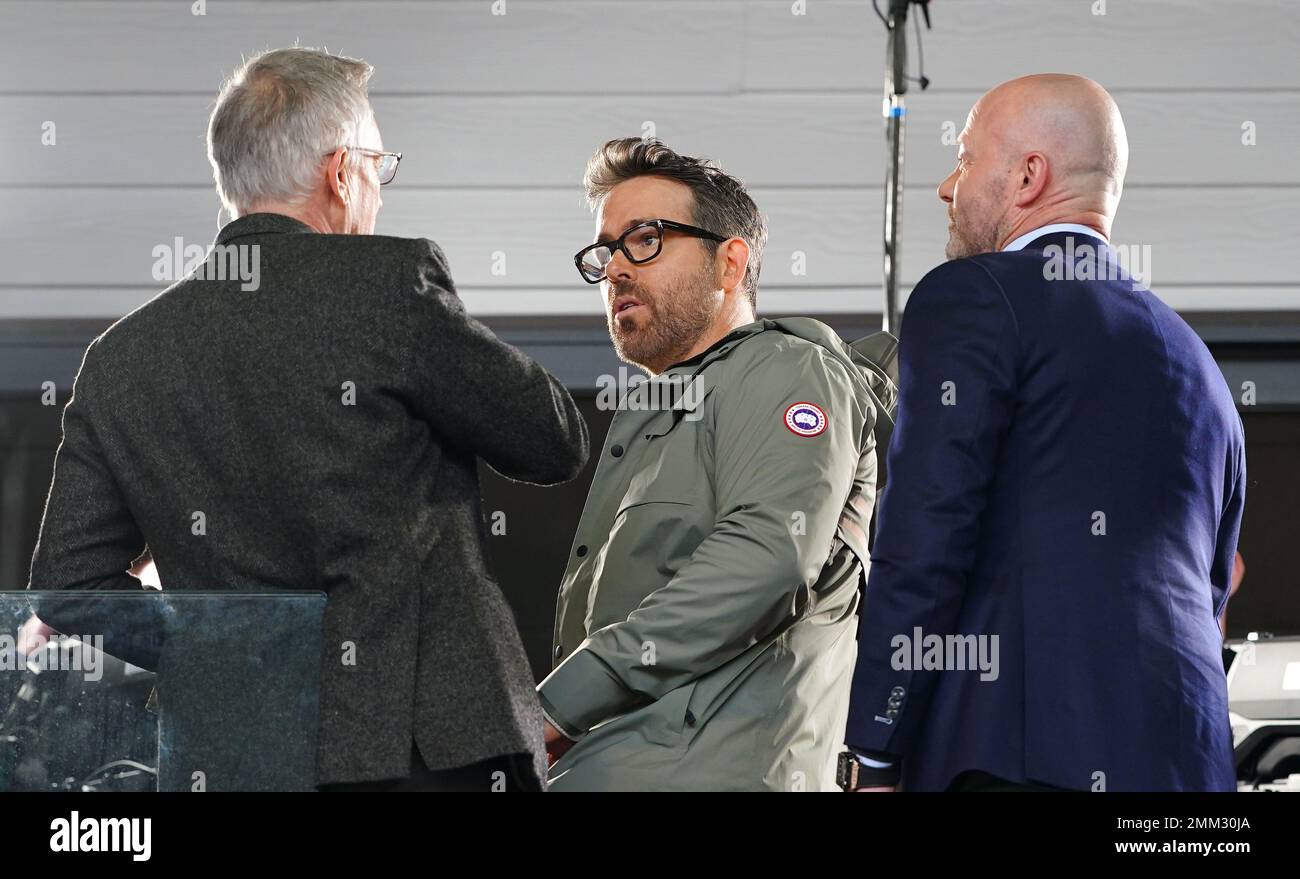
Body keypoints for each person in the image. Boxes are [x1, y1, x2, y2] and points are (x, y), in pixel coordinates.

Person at [26, 47, 589, 792]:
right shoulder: (389, 289)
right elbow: (552, 440)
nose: (378, 194)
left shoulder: (119, 357)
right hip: (428, 751)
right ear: (339, 170)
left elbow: (67, 583)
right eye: (377, 167)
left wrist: (221, 640)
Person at [840, 74, 1245, 793]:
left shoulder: (974, 295)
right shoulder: (1201, 368)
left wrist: (873, 748)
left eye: (965, 159)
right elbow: (1213, 596)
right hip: (1193, 774)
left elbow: (925, 535)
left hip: (1011, 756)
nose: (946, 186)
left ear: (1028, 176)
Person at [539, 138, 885, 790]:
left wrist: (560, 702)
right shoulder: (659, 417)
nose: (614, 268)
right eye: (605, 250)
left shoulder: (785, 368)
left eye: (644, 239)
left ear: (730, 263)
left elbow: (767, 557)